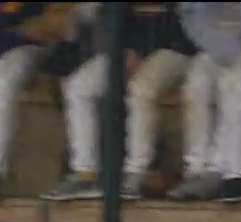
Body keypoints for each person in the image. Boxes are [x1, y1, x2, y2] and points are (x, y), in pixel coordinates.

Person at [43, 2, 194, 201]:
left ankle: (136, 173)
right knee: (80, 86)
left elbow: (181, 19)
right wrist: (128, 46)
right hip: (125, 46)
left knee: (141, 90)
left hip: (174, 46)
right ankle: (85, 173)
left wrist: (140, 47)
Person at [168, 2, 241, 203]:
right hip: (212, 49)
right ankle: (197, 170)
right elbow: (190, 15)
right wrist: (216, 44)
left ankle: (237, 174)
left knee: (237, 85)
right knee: (196, 84)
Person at [0, 2, 75, 197]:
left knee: (4, 81)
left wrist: (26, 30)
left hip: (28, 48)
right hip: (13, 40)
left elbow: (48, 27)